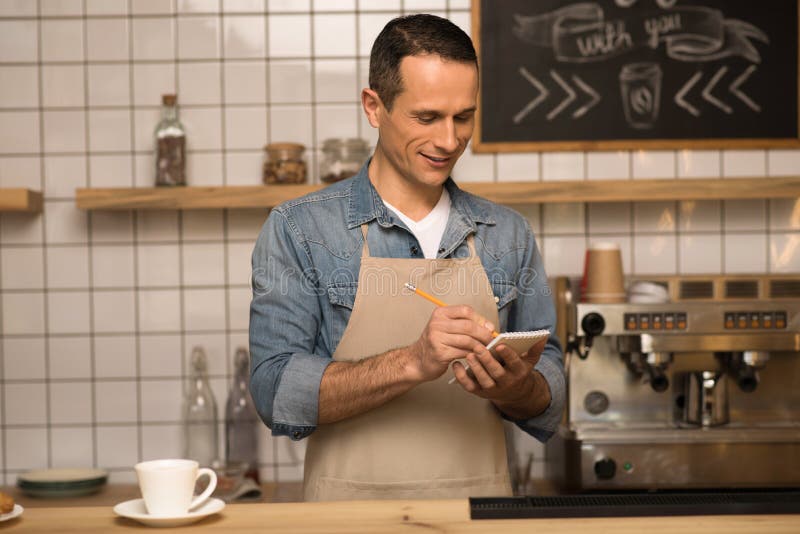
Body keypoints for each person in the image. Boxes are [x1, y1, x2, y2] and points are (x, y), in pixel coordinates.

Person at [250, 13, 565, 502]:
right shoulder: (300, 230)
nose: (449, 140)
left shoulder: (507, 235)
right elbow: (274, 393)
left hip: (477, 514)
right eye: (427, 118)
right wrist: (412, 363)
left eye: (464, 117)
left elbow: (552, 394)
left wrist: (515, 388)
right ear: (374, 107)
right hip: (345, 518)